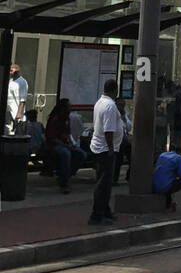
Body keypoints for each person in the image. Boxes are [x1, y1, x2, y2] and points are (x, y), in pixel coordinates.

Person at [89, 79, 124, 224]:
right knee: (103, 184)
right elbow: (108, 130)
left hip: (99, 147)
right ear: (114, 90)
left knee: (104, 182)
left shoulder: (100, 102)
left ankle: (105, 210)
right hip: (105, 149)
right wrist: (111, 148)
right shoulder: (109, 106)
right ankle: (97, 215)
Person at [44, 99, 85, 192]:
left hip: (65, 144)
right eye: (69, 106)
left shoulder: (67, 119)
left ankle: (66, 174)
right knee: (66, 154)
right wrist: (66, 146)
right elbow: (52, 138)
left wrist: (71, 143)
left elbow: (68, 133)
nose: (70, 108)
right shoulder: (54, 119)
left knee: (82, 154)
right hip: (54, 145)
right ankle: (64, 183)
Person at [113, 97, 133, 184]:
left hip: (124, 138)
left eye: (123, 105)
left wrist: (124, 117)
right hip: (116, 139)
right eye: (120, 105)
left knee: (132, 155)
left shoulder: (124, 115)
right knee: (118, 157)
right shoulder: (112, 113)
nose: (121, 107)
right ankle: (114, 179)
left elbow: (128, 127)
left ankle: (130, 175)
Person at [6, 62, 28, 132]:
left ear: (17, 71)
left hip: (16, 113)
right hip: (9, 111)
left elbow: (23, 99)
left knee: (17, 132)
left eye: (11, 71)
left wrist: (19, 114)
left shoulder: (22, 82)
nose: (10, 73)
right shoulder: (10, 81)